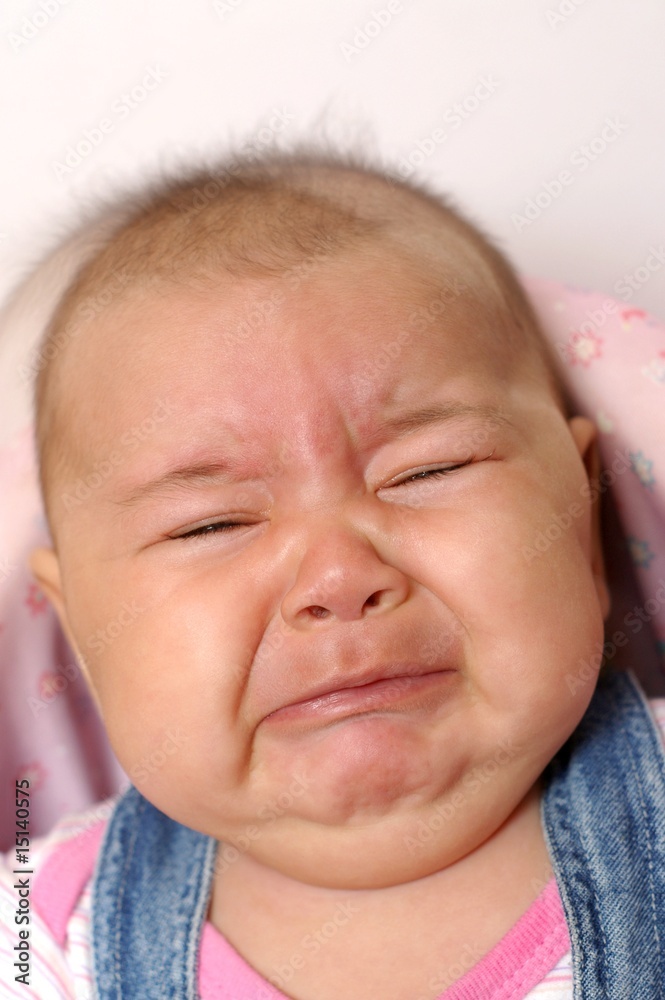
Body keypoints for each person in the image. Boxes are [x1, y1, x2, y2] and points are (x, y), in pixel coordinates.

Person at [2, 148, 664, 999]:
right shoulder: (40, 937)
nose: (338, 578)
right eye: (213, 523)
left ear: (578, 528)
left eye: (428, 470)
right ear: (85, 636)